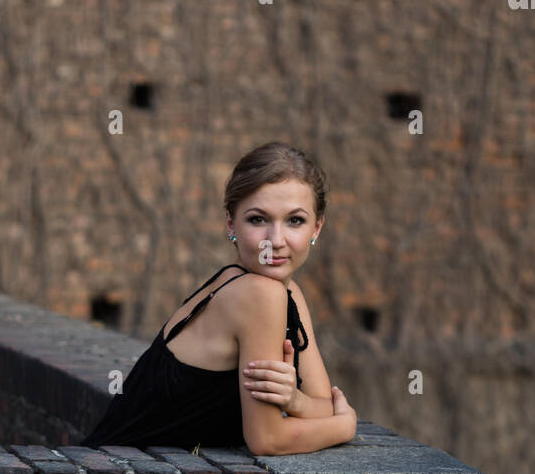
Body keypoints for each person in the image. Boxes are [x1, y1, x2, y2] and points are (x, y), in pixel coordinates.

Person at [77, 141, 357, 455]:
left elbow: (325, 403)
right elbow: (269, 440)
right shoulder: (258, 293)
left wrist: (295, 401)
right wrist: (345, 426)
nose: (275, 242)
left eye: (294, 221)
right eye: (258, 220)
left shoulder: (286, 291)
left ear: (316, 227)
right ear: (230, 224)